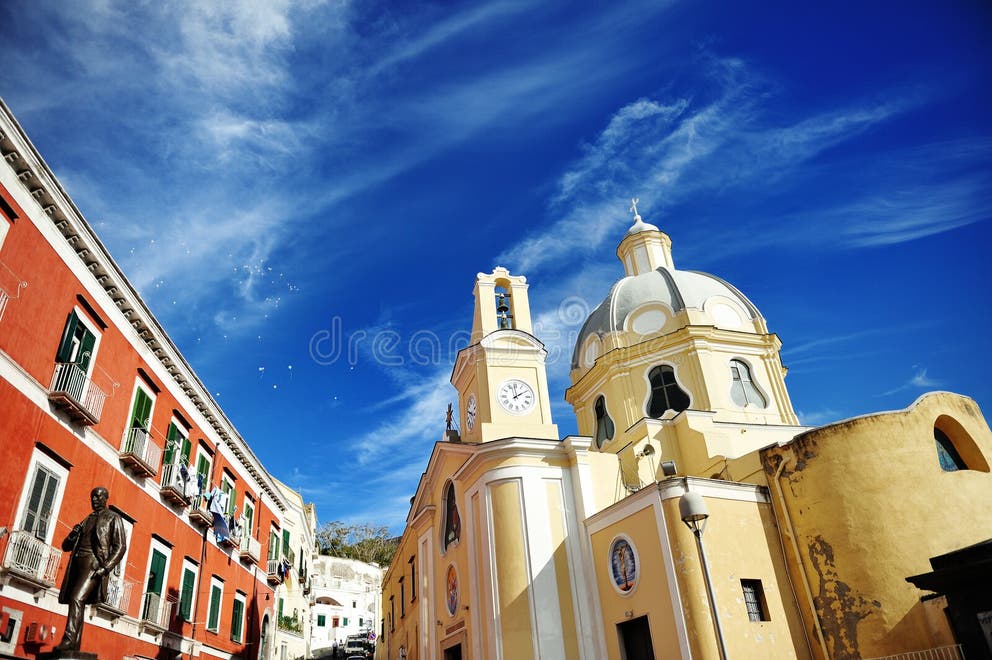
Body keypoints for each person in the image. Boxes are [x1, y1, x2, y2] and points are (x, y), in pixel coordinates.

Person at [55, 487, 127, 652]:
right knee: (77, 602)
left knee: (76, 598)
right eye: (92, 496)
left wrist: (105, 568)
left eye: (98, 496)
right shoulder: (86, 520)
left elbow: (121, 546)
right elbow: (66, 546)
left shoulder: (113, 518)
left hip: (93, 565)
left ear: (105, 498)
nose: (94, 499)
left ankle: (68, 640)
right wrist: (73, 534)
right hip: (77, 564)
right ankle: (74, 645)